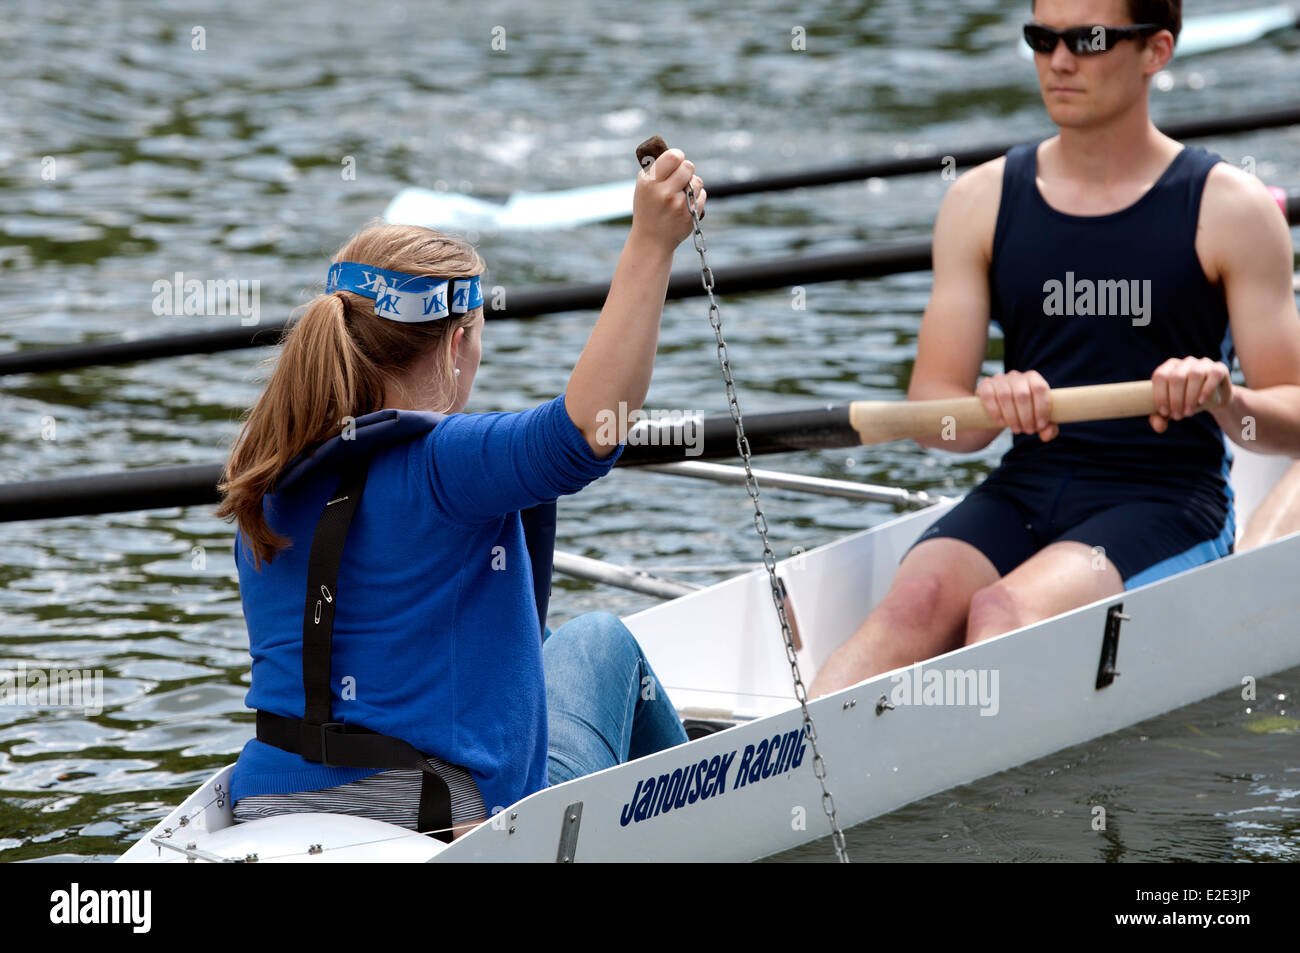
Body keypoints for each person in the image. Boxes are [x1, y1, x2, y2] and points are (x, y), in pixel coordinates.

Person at [810, 0, 1300, 698]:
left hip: (1167, 498)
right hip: (1029, 485)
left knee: (1002, 612)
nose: (1059, 60)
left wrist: (1226, 398)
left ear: (1156, 51)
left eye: (1088, 40)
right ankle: (803, 770)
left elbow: (1293, 415)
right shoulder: (979, 202)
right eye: (1042, 38)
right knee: (912, 605)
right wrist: (985, 406)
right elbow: (933, 412)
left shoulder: (1233, 209)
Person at [215, 148, 707, 840]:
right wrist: (652, 243)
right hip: (444, 819)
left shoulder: (262, 480)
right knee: (601, 640)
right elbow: (591, 429)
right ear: (454, 346)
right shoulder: (445, 463)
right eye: (478, 339)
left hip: (263, 808)